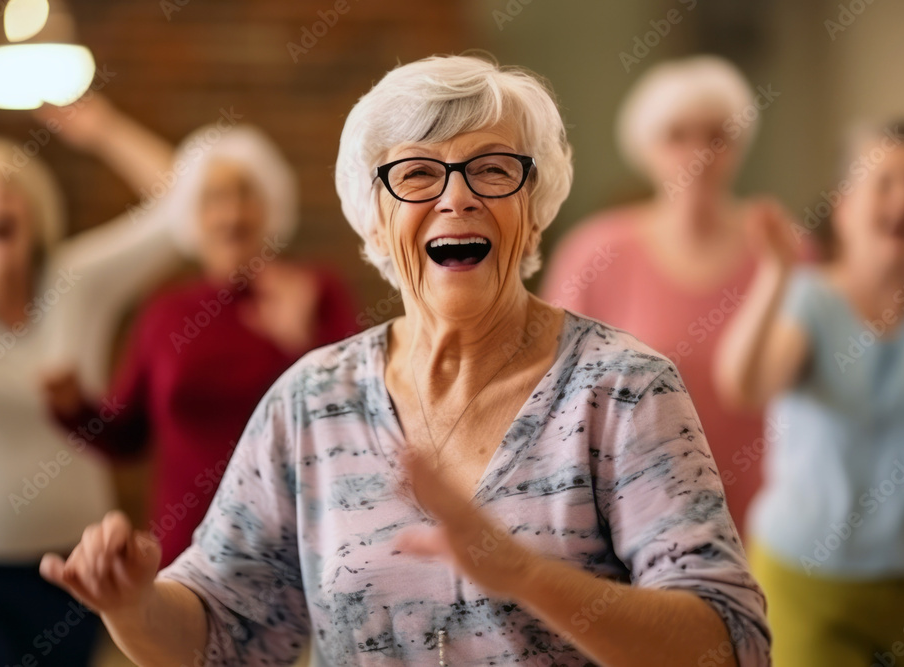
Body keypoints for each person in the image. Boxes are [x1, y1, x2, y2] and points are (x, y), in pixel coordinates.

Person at [40, 54, 770, 666]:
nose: (457, 197)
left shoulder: (624, 390)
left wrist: (523, 573)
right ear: (377, 219)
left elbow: (728, 643)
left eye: (492, 170)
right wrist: (132, 605)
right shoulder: (311, 399)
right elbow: (222, 628)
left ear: (535, 206)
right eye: (417, 174)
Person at [42, 124, 360, 569]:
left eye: (246, 194)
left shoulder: (316, 291)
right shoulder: (165, 313)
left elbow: (357, 415)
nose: (232, 213)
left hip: (300, 550)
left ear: (271, 205)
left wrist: (303, 341)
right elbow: (128, 434)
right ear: (192, 214)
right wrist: (73, 407)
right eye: (215, 198)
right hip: (187, 555)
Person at [0, 96, 182, 665]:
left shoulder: (77, 281)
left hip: (76, 567)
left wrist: (103, 129)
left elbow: (183, 208)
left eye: (11, 191)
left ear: (38, 212)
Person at [539, 55, 810, 536]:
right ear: (644, 148)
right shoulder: (595, 252)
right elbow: (555, 394)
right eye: (677, 136)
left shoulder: (786, 248)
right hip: (636, 513)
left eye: (717, 136)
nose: (699, 153)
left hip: (772, 517)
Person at [714, 120, 904, 666]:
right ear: (844, 208)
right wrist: (776, 274)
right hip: (807, 578)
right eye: (883, 183)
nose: (903, 200)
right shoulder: (812, 298)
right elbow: (746, 386)